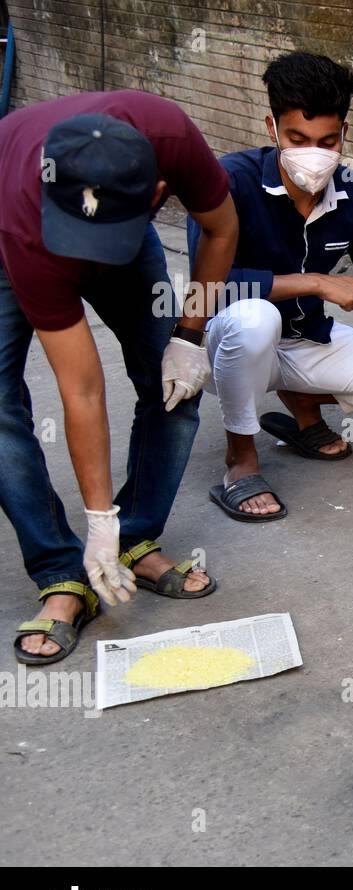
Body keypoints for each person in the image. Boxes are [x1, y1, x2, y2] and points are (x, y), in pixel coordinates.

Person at [0, 90, 238, 664]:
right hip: (21, 238)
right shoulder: (27, 226)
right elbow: (81, 388)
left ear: (158, 193)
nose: (94, 266)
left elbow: (222, 230)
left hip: (121, 233)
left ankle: (134, 539)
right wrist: (96, 518)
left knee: (175, 385)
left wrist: (189, 333)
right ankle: (63, 573)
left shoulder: (173, 139)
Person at [192, 51, 353, 521]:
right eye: (298, 138)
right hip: (223, 347)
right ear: (272, 129)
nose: (314, 153)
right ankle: (241, 460)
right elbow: (205, 287)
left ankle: (302, 400)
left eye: (328, 140)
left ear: (344, 134)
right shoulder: (229, 182)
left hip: (307, 339)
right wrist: (314, 282)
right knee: (255, 320)